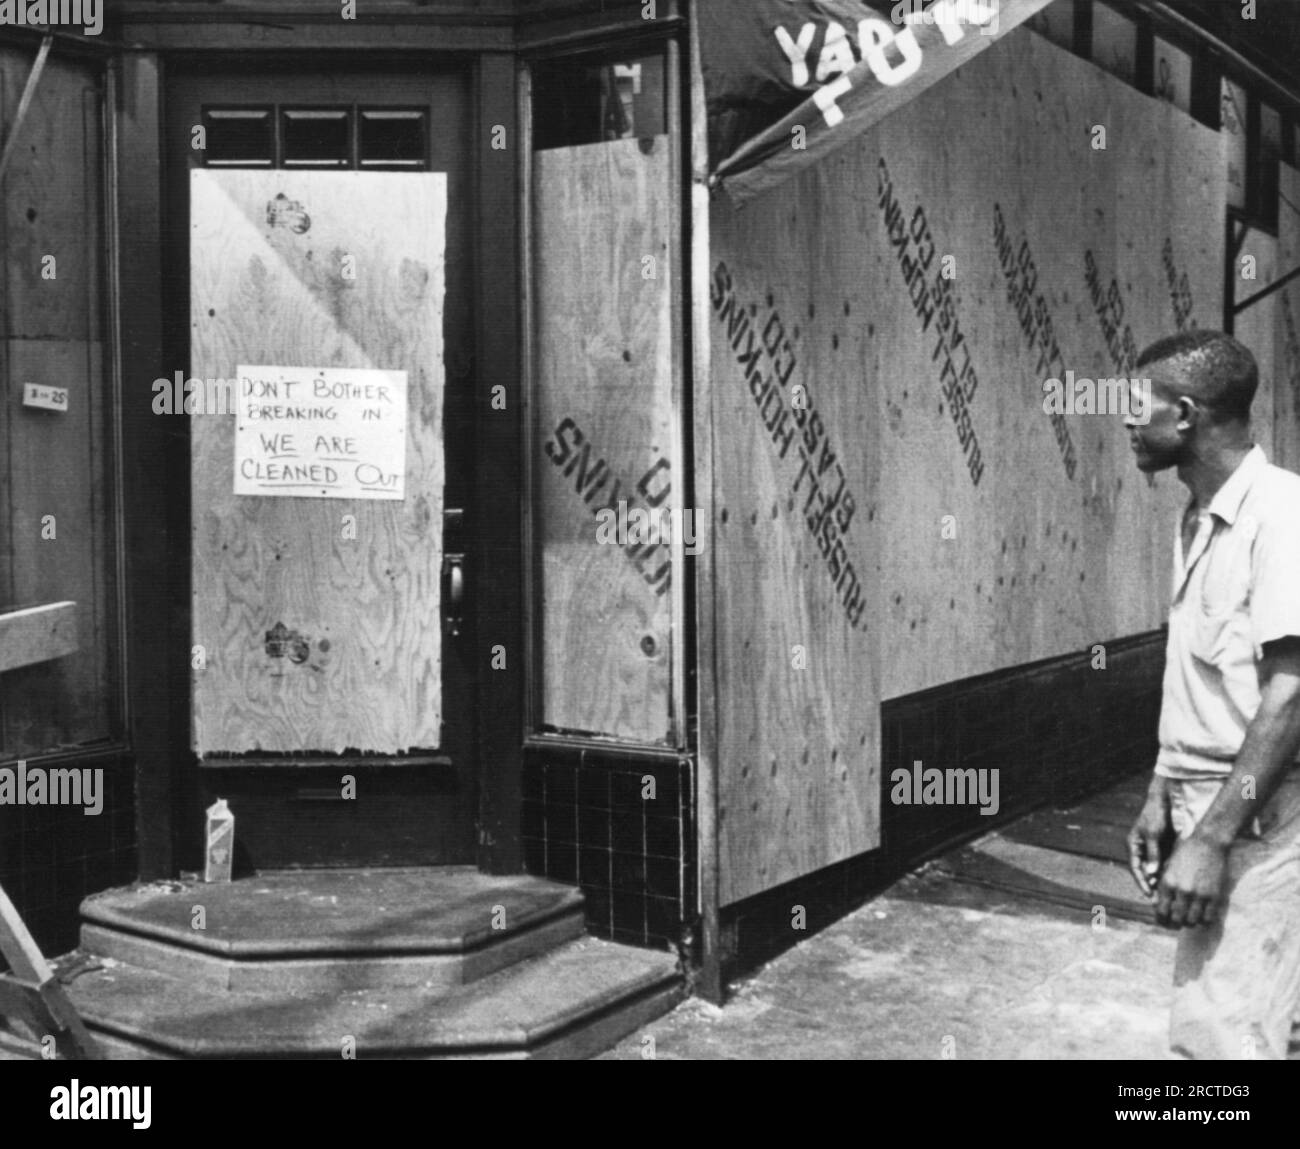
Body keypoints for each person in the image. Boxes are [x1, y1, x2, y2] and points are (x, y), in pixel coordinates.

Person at [1125, 329, 1300, 1060]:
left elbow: (1289, 695)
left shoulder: (1281, 516)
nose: (1129, 420)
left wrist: (1211, 837)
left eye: (1140, 405)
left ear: (1187, 414)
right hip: (1212, 804)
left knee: (1224, 1051)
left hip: (1260, 822)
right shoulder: (1198, 514)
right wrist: (1163, 790)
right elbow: (1204, 673)